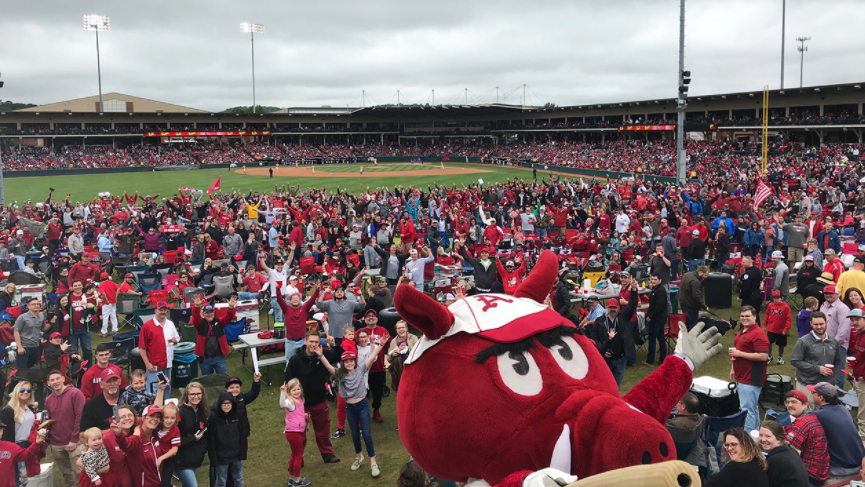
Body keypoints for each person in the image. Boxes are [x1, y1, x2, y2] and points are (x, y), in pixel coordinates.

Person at [318, 332, 390, 479]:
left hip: (362, 405)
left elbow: (372, 356)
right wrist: (320, 355)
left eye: (351, 361)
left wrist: (381, 343)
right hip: (350, 408)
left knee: (367, 434)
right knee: (355, 435)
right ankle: (358, 457)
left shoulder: (360, 369)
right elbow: (327, 366)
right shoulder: (340, 374)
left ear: (354, 362)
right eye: (346, 362)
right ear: (343, 364)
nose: (349, 363)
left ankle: (373, 462)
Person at [283, 330, 343, 464]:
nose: (314, 344)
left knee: (323, 430)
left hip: (319, 400)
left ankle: (327, 454)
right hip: (300, 404)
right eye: (311, 341)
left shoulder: (324, 354)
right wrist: (290, 398)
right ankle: (298, 458)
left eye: (316, 342)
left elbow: (340, 355)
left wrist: (333, 344)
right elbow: (287, 380)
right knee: (299, 433)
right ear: (305, 341)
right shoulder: (295, 359)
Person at [586, 280, 638, 388]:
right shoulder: (599, 322)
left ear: (618, 309)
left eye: (615, 308)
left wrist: (634, 290)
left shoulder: (623, 318)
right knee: (605, 385)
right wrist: (602, 351)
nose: (613, 310)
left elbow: (632, 306)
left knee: (616, 385)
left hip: (620, 358)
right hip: (606, 360)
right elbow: (595, 339)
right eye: (611, 308)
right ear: (607, 308)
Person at [807, 382, 865, 477]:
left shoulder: (817, 415)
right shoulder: (843, 409)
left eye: (813, 393)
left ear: (820, 397)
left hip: (842, 468)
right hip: (859, 461)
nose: (811, 394)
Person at [790, 311, 844, 410]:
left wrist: (833, 379)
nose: (819, 327)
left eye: (821, 324)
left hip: (827, 386)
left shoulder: (833, 342)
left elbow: (837, 362)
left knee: (824, 415)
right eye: (815, 324)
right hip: (807, 384)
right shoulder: (803, 341)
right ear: (811, 324)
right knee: (807, 415)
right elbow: (795, 361)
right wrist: (817, 369)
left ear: (826, 323)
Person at [730, 305, 769, 433]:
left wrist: (740, 354)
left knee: (747, 410)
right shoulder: (743, 330)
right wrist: (733, 368)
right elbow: (737, 352)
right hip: (741, 375)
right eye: (742, 316)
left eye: (747, 316)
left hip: (751, 378)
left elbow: (763, 356)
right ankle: (756, 433)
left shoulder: (759, 334)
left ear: (754, 317)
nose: (744, 318)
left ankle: (748, 439)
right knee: (752, 408)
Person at [45, 369, 86, 487]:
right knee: (67, 474)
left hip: (75, 441)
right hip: (56, 443)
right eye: (52, 380)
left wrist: (74, 439)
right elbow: (50, 420)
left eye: (58, 378)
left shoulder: (75, 393)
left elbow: (80, 417)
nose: (55, 382)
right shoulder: (49, 400)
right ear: (48, 383)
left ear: (63, 379)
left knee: (81, 472)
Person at [109, 405, 165, 487]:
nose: (155, 419)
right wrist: (119, 434)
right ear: (143, 418)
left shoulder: (156, 436)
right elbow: (126, 444)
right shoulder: (137, 438)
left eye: (158, 417)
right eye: (151, 415)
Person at [782, 390, 830, 486]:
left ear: (805, 405)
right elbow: (787, 430)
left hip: (810, 477)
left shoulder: (803, 422)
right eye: (787, 402)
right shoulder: (809, 417)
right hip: (819, 472)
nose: (789, 405)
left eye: (794, 402)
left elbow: (787, 450)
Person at [139, 301, 181, 398]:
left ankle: (166, 409)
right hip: (154, 365)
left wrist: (175, 341)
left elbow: (176, 339)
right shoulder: (147, 326)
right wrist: (147, 363)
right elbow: (142, 347)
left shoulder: (170, 324)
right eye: (160, 310)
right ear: (155, 310)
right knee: (154, 389)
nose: (163, 312)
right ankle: (154, 410)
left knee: (166, 387)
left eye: (164, 310)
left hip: (168, 363)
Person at [0, 381, 38, 487]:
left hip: (28, 444)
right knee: (18, 477)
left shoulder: (29, 408)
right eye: (22, 390)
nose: (25, 392)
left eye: (28, 390)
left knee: (28, 475)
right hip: (15, 445)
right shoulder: (8, 411)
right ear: (17, 391)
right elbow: (4, 433)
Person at [358, 309, 391, 423]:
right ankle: (363, 412)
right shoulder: (360, 332)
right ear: (364, 319)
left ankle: (376, 410)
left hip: (378, 367)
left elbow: (389, 343)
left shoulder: (382, 330)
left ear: (376, 318)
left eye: (373, 316)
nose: (371, 317)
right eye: (368, 316)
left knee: (377, 391)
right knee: (363, 392)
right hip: (363, 369)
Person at [190, 295, 237, 375]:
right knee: (207, 381)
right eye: (207, 313)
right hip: (205, 359)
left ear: (214, 313)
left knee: (223, 379)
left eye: (211, 312)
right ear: (203, 314)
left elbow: (228, 317)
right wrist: (197, 306)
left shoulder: (219, 321)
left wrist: (231, 308)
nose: (209, 314)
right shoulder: (200, 324)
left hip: (219, 357)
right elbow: (196, 317)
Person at [208, 393, 246, 487]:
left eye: (228, 403)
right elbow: (211, 440)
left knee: (238, 478)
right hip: (221, 457)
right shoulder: (214, 419)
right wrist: (213, 458)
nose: (226, 406)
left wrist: (243, 453)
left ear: (232, 404)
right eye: (223, 403)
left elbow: (243, 435)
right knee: (221, 481)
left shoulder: (238, 415)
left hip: (236, 455)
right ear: (219, 405)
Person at [176, 383, 210, 487]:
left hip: (196, 458)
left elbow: (205, 433)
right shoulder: (179, 412)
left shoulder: (203, 411)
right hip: (181, 461)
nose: (196, 397)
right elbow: (174, 439)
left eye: (198, 393)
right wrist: (193, 438)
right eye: (192, 394)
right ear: (186, 395)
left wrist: (202, 449)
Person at [275, 284, 320, 362]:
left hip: (302, 341)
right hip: (290, 342)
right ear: (290, 301)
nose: (295, 299)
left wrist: (317, 290)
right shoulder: (286, 309)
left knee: (303, 361)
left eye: (297, 298)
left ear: (300, 300)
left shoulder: (304, 308)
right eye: (293, 298)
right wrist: (278, 289)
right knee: (289, 362)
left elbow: (312, 300)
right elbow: (279, 300)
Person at [758, 421, 809, 487]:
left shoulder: (775, 460)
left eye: (768, 436)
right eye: (760, 435)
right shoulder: (790, 451)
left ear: (778, 439)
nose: (763, 439)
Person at [819, 285, 851, 389]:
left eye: (831, 293)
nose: (828, 295)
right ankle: (826, 395)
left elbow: (844, 329)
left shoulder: (842, 308)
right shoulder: (823, 305)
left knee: (837, 372)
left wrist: (832, 344)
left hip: (838, 345)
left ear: (837, 294)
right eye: (826, 293)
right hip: (823, 343)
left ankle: (838, 398)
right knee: (825, 370)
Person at [280, 379, 310, 487]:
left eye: (298, 389)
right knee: (298, 455)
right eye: (294, 390)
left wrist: (304, 415)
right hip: (294, 432)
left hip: (297, 431)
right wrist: (282, 393)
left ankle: (291, 479)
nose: (297, 392)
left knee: (294, 454)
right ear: (289, 391)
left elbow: (298, 413)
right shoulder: (290, 402)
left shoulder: (300, 400)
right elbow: (282, 404)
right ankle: (297, 480)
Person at [0, 421, 46, 487]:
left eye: (0, 429)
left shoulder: (9, 447)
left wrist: (36, 443)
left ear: (2, 431)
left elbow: (25, 455)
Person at [13, 298, 47, 369]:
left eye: (38, 304)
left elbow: (43, 329)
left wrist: (51, 322)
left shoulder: (41, 316)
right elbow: (16, 332)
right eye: (33, 304)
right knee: (22, 370)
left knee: (33, 368)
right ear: (28, 306)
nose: (36, 306)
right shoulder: (22, 318)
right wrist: (19, 347)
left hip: (35, 346)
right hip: (24, 347)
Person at [643, 273, 669, 366]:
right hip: (659, 318)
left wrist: (651, 316)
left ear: (660, 280)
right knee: (661, 338)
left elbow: (659, 306)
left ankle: (650, 361)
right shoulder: (655, 289)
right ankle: (663, 359)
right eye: (652, 279)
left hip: (657, 318)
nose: (653, 281)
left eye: (655, 279)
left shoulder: (660, 290)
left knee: (652, 339)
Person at [849, 308, 865, 441]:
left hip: (863, 380)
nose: (854, 322)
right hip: (859, 377)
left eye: (857, 319)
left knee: (863, 414)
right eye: (852, 320)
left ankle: (862, 440)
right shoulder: (859, 333)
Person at [763, 290, 792, 364]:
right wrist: (764, 325)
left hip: (781, 330)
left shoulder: (786, 307)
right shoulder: (770, 305)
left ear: (782, 298)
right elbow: (767, 315)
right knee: (768, 343)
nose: (776, 299)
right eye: (774, 298)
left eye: (778, 298)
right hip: (771, 329)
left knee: (781, 344)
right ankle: (769, 356)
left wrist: (786, 329)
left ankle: (780, 357)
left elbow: (788, 320)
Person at [156, 403, 180, 487]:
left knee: (164, 483)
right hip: (154, 458)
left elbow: (174, 449)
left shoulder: (175, 430)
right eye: (166, 417)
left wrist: (162, 458)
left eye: (172, 418)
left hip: (168, 459)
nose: (169, 420)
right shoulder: (156, 427)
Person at [678, 266, 709, 331]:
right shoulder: (696, 281)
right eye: (705, 275)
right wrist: (704, 306)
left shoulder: (687, 274)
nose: (706, 277)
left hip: (682, 301)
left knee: (686, 323)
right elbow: (696, 296)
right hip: (690, 305)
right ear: (700, 272)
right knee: (693, 326)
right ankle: (691, 339)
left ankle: (686, 337)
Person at [738, 256, 763, 324]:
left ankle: (743, 329)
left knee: (745, 314)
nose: (742, 263)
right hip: (757, 295)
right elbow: (761, 280)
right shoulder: (756, 270)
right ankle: (757, 329)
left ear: (749, 262)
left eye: (743, 262)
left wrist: (740, 296)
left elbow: (746, 288)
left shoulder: (747, 274)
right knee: (755, 314)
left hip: (750, 297)